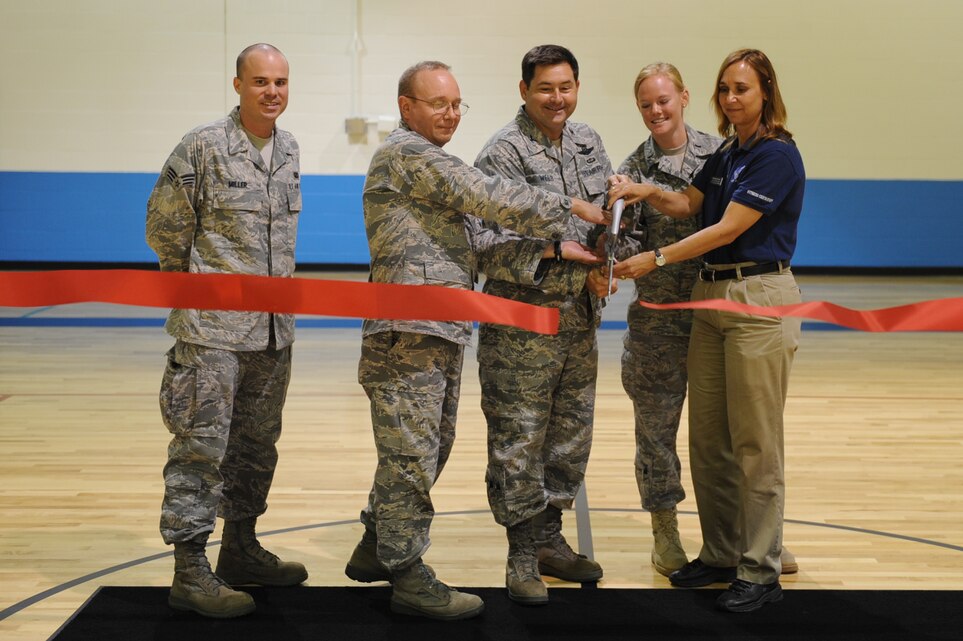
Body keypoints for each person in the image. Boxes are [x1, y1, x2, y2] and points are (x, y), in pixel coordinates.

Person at [343, 60, 608, 621]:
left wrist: (558, 251)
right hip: (405, 335)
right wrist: (571, 209)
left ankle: (376, 543)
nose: (451, 113)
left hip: (440, 333)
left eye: (457, 103)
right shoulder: (407, 155)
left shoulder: (436, 170)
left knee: (424, 449)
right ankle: (409, 574)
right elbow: (486, 193)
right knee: (412, 455)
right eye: (438, 103)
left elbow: (484, 250)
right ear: (406, 106)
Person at [607, 48, 804, 613]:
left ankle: (760, 566)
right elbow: (686, 201)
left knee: (755, 442)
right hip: (709, 300)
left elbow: (724, 228)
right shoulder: (725, 154)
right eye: (725, 88)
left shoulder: (776, 155)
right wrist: (645, 192)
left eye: (741, 88)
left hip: (756, 298)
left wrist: (657, 259)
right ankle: (720, 552)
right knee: (709, 441)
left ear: (766, 90)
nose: (731, 98)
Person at [146, 43, 307, 619]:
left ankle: (240, 548)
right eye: (260, 81)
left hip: (271, 334)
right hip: (212, 334)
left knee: (255, 450)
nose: (272, 92)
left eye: (281, 82)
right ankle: (190, 569)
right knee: (200, 450)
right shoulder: (204, 145)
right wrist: (190, 292)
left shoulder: (288, 148)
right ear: (237, 84)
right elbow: (165, 224)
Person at [470, 44, 611, 605]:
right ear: (524, 90)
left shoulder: (589, 143)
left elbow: (604, 223)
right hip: (521, 324)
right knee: (518, 440)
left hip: (580, 321)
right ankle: (522, 553)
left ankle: (551, 538)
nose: (558, 98)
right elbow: (482, 243)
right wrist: (556, 251)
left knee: (570, 438)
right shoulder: (500, 154)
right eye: (546, 88)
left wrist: (605, 260)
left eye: (567, 86)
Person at [614, 62, 722, 578]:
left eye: (663, 100)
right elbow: (624, 242)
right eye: (646, 105)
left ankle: (745, 533)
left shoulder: (720, 156)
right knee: (656, 433)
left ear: (684, 96)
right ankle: (665, 532)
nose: (656, 111)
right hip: (656, 324)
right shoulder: (632, 169)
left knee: (725, 430)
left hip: (715, 318)